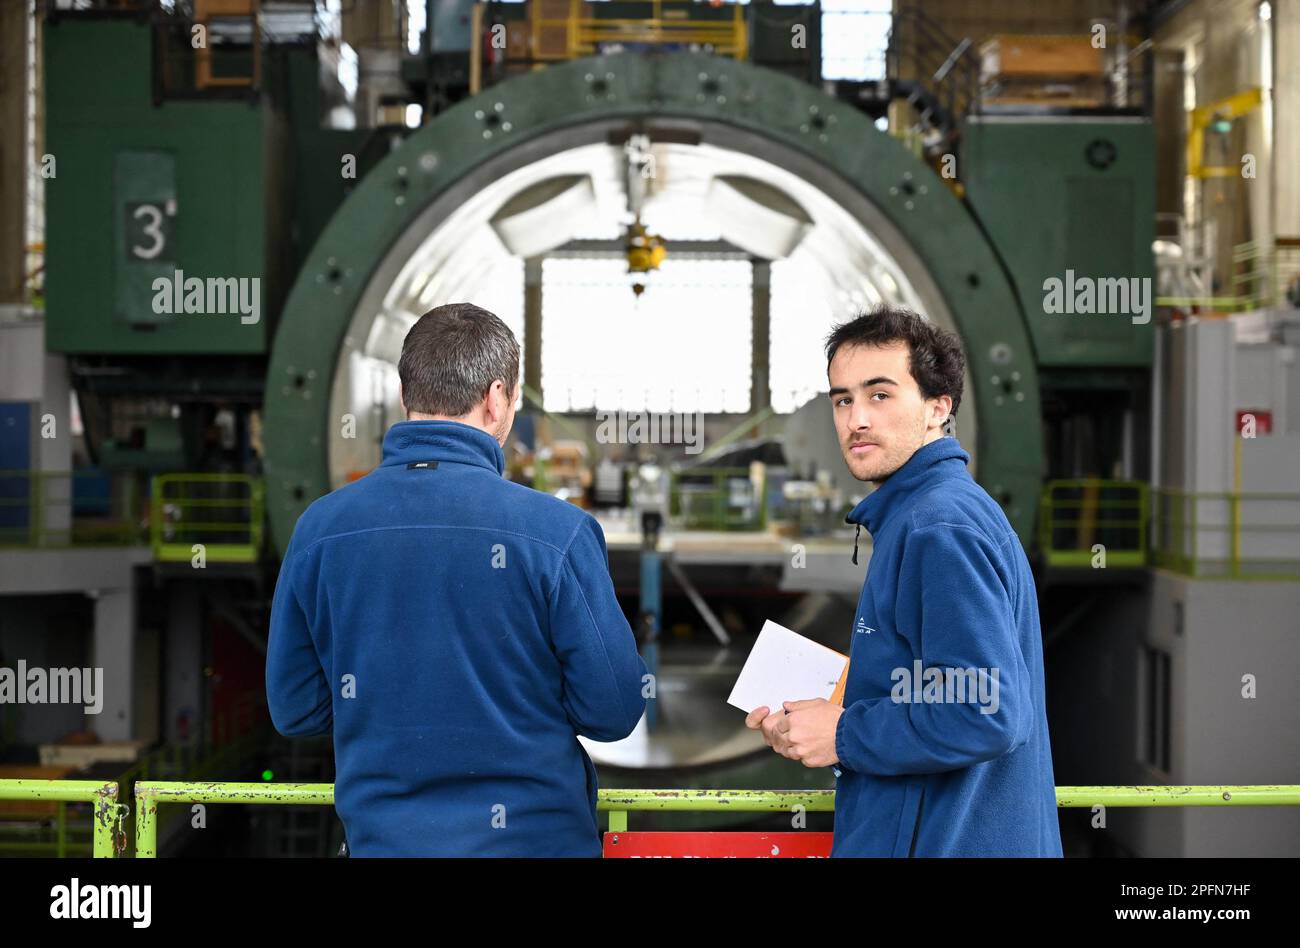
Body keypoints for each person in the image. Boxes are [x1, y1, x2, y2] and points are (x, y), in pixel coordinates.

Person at [266, 302, 647, 856]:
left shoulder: (320, 530)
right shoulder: (556, 532)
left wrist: (392, 703)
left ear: (404, 394)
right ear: (497, 398)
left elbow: (295, 707)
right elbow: (613, 710)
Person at [746, 305, 1062, 857]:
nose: (856, 419)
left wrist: (842, 734)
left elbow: (986, 712)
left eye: (880, 394)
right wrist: (822, 710)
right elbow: (937, 681)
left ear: (939, 408)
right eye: (843, 399)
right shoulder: (928, 512)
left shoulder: (937, 528)